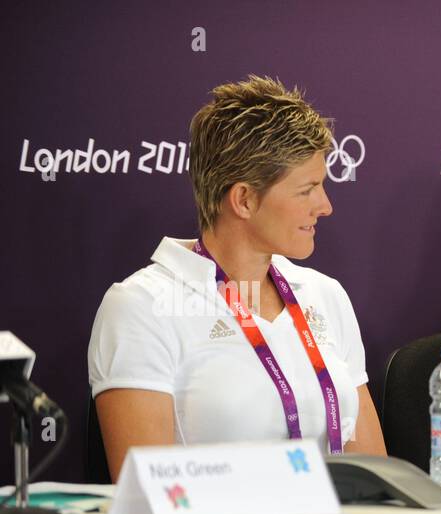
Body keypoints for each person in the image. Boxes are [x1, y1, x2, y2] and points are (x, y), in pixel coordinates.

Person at [88, 75, 385, 481]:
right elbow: (149, 494)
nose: (325, 206)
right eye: (307, 189)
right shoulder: (141, 305)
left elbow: (376, 479)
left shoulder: (325, 294)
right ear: (244, 199)